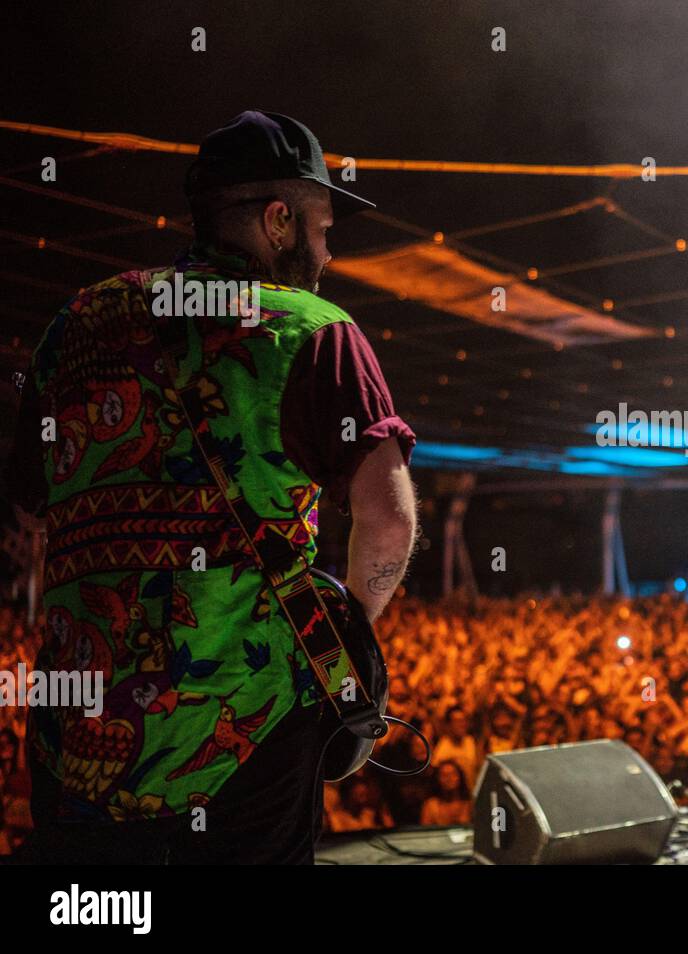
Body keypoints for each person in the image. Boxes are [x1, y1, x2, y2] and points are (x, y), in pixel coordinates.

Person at [4, 111, 418, 864]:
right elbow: (387, 521)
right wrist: (346, 628)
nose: (328, 253)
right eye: (324, 228)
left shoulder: (75, 324)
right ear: (279, 220)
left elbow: (36, 512)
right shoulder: (314, 331)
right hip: (245, 741)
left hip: (79, 743)